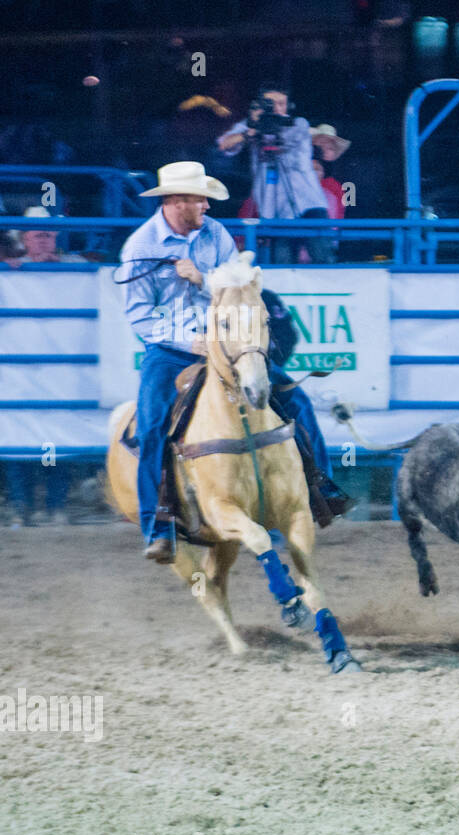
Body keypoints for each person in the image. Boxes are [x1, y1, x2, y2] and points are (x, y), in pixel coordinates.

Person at [120, 161, 349, 563]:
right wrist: (189, 342)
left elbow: (240, 287)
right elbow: (140, 315)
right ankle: (158, 525)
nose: (207, 206)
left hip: (226, 346)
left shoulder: (215, 235)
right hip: (173, 353)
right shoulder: (140, 248)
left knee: (294, 400)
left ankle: (320, 487)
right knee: (153, 422)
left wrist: (202, 280)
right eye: (199, 198)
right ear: (175, 201)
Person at [216, 83, 332, 264]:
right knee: (282, 266)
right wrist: (251, 130)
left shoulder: (298, 124)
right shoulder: (251, 126)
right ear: (260, 105)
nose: (277, 108)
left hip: (309, 204)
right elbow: (224, 144)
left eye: (282, 103)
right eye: (271, 103)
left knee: (323, 260)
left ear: (289, 106)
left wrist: (260, 129)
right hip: (275, 211)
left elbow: (285, 139)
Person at [5, 206, 88, 266]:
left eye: (47, 236)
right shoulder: (16, 264)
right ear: (25, 240)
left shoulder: (74, 261)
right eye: (38, 236)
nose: (43, 240)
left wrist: (59, 263)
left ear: (54, 239)